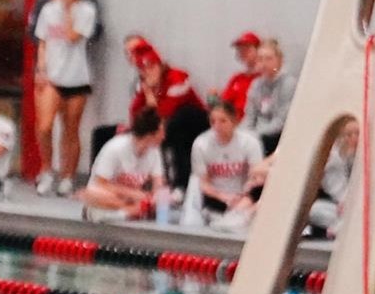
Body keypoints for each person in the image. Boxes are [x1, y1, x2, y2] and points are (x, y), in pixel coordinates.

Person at [31, 0, 97, 197]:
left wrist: (69, 10)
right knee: (45, 125)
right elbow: (42, 42)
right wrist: (41, 69)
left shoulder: (86, 11)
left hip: (76, 77)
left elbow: (71, 37)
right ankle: (47, 169)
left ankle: (67, 176)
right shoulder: (48, 11)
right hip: (53, 77)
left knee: (71, 129)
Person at [126, 38, 209, 191]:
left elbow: (165, 112)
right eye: (143, 69)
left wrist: (150, 98)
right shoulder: (143, 85)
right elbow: (135, 113)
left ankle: (180, 185)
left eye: (151, 67)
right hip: (168, 125)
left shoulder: (177, 78)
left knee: (175, 125)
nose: (147, 72)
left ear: (160, 65)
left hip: (195, 123)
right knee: (121, 133)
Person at [188, 100, 267, 232]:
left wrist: (244, 193)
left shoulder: (250, 143)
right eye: (213, 122)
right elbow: (203, 183)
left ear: (234, 121)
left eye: (222, 121)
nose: (217, 126)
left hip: (243, 198)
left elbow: (257, 175)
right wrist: (224, 197)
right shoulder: (201, 144)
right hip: (216, 199)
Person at [82, 109, 168, 220]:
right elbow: (101, 184)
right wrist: (132, 193)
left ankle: (122, 213)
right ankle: (123, 212)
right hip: (111, 197)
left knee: (163, 197)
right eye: (161, 132)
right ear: (150, 135)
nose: (164, 136)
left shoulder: (154, 152)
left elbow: (159, 184)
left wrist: (156, 198)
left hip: (130, 200)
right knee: (93, 193)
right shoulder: (115, 148)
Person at [242, 38, 296, 156]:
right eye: (260, 59)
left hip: (277, 136)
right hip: (256, 134)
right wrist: (242, 134)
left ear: (279, 61)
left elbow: (281, 121)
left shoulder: (288, 83)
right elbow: (249, 116)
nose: (264, 63)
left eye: (268, 59)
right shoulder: (256, 84)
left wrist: (255, 134)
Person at [308, 119, 360, 238]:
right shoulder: (335, 157)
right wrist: (345, 202)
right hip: (340, 205)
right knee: (314, 210)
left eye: (357, 133)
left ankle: (343, 227)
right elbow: (336, 188)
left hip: (360, 203)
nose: (354, 138)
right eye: (349, 134)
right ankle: (341, 227)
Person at [221, 31, 262, 119]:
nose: (243, 52)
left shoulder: (264, 78)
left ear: (259, 50)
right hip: (232, 123)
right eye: (240, 49)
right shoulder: (237, 78)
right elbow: (224, 104)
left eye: (247, 48)